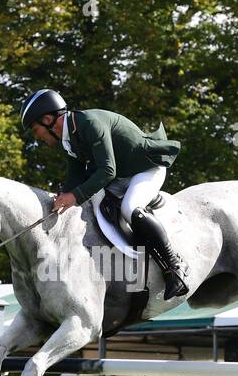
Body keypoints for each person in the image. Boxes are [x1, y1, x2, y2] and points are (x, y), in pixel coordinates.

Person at [20, 88, 190, 299]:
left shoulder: (90, 124)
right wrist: (64, 195)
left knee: (130, 209)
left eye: (36, 130)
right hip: (120, 177)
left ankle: (174, 267)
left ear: (48, 120)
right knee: (95, 207)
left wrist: (74, 196)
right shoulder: (68, 138)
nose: (38, 137)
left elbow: (107, 170)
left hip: (145, 169)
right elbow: (76, 176)